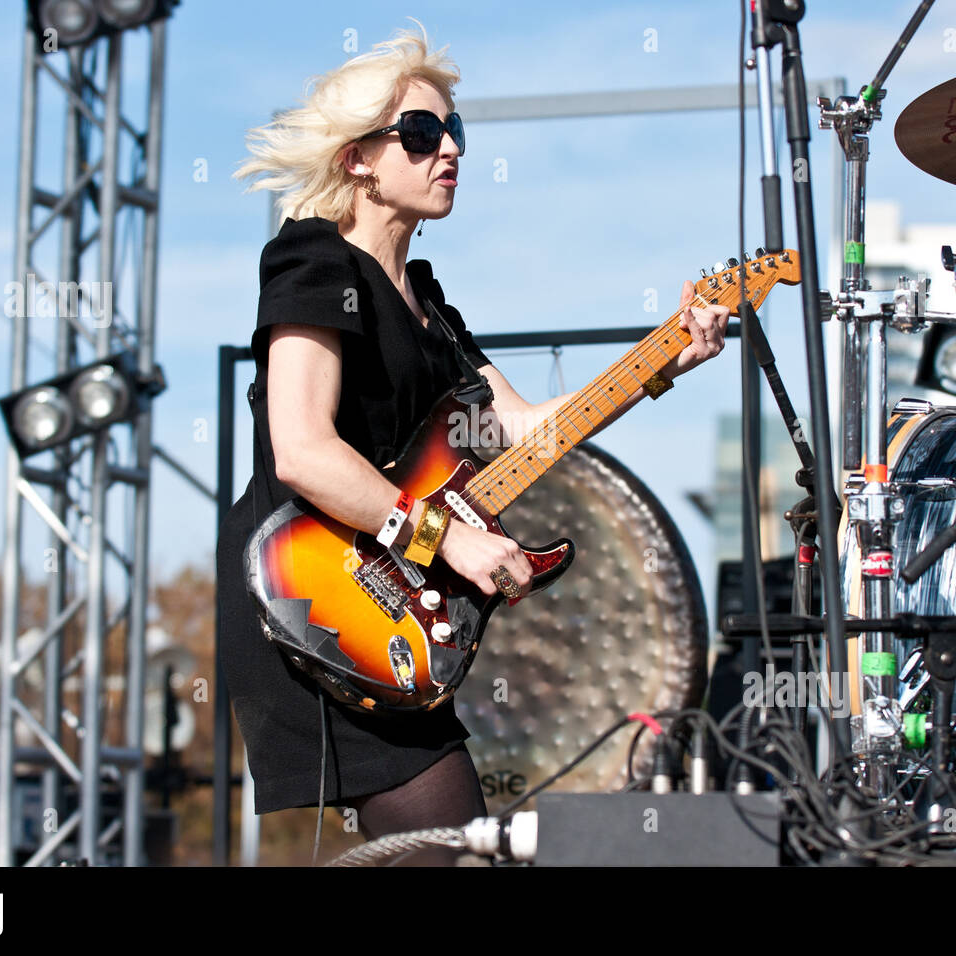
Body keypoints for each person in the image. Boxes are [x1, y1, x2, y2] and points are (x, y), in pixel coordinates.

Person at [216, 20, 730, 865]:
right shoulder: (311, 261)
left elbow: (527, 431)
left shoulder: (429, 303)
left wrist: (668, 352)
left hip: (390, 603)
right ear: (358, 159)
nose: (447, 149)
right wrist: (444, 536)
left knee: (444, 852)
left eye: (455, 133)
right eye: (421, 134)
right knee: (453, 852)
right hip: (310, 600)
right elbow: (302, 451)